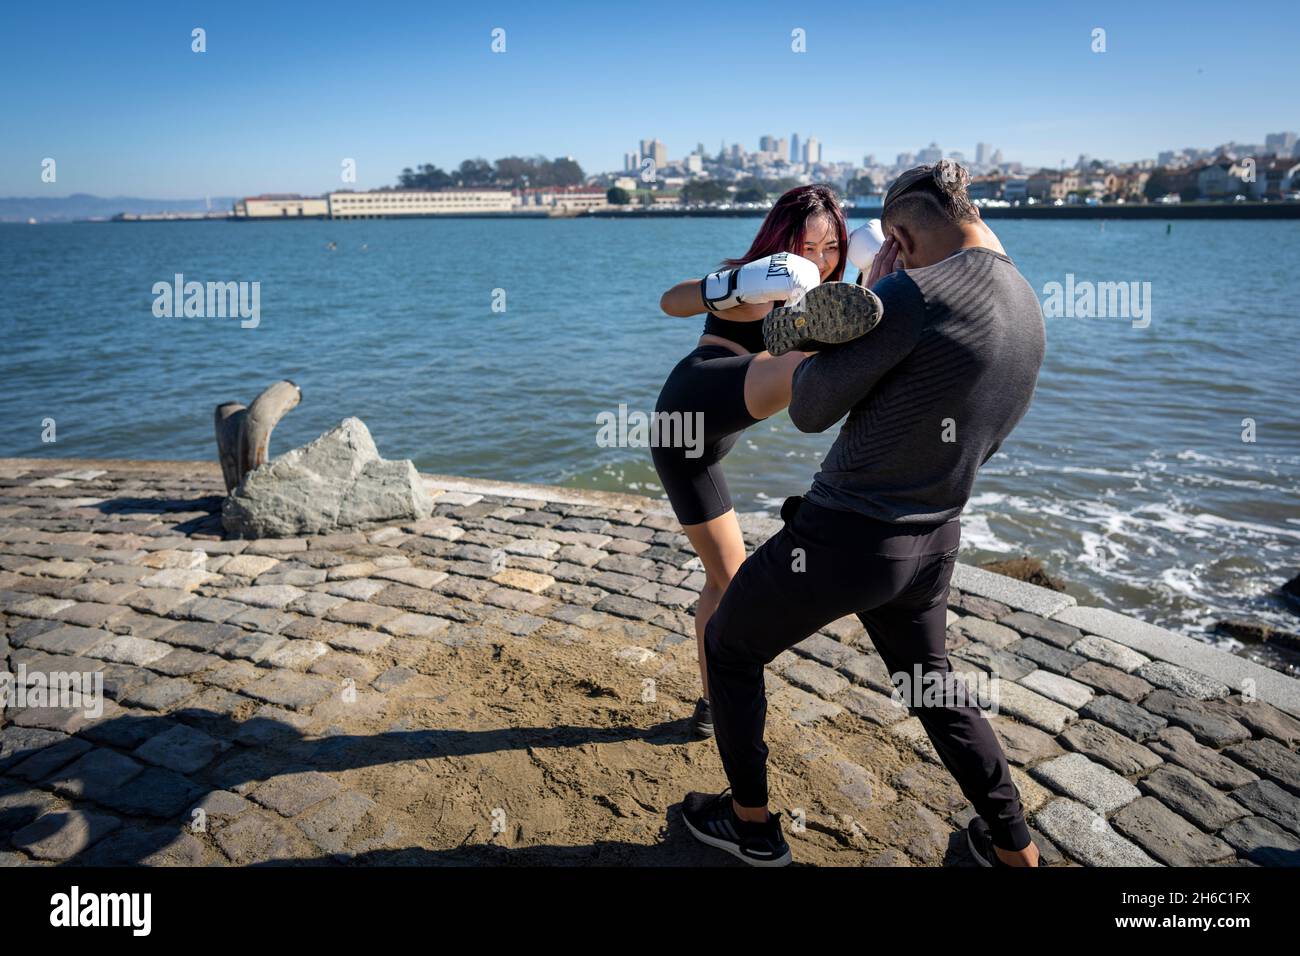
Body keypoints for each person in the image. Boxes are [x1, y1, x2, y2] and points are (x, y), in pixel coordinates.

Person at [680, 160, 1047, 867]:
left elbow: (812, 410)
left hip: (846, 535)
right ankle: (1014, 849)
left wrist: (876, 298)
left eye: (896, 244)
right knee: (932, 683)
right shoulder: (1028, 303)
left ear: (901, 237)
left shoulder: (911, 293)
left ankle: (750, 827)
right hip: (935, 537)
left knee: (729, 644)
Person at [651, 184, 883, 739]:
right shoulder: (760, 279)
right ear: (783, 240)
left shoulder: (834, 293)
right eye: (808, 246)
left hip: (709, 443)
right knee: (812, 356)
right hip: (692, 402)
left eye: (832, 249)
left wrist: (874, 274)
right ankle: (805, 348)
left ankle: (709, 704)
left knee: (723, 579)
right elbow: (670, 301)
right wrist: (739, 284)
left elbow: (847, 293)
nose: (819, 259)